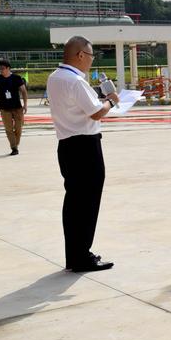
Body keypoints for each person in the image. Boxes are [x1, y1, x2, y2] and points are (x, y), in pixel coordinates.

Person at [47, 36, 121, 272]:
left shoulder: (55, 77)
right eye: (90, 56)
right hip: (85, 146)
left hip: (67, 145)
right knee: (88, 202)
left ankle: (74, 254)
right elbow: (97, 113)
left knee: (73, 202)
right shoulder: (76, 81)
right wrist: (111, 101)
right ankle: (83, 256)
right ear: (80, 55)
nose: (91, 61)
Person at [0, 58, 28, 156]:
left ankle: (15, 143)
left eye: (2, 68)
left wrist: (25, 104)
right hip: (4, 108)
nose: (0, 70)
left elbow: (23, 91)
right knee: (8, 129)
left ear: (8, 68)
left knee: (19, 128)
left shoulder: (16, 78)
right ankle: (14, 148)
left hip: (17, 108)